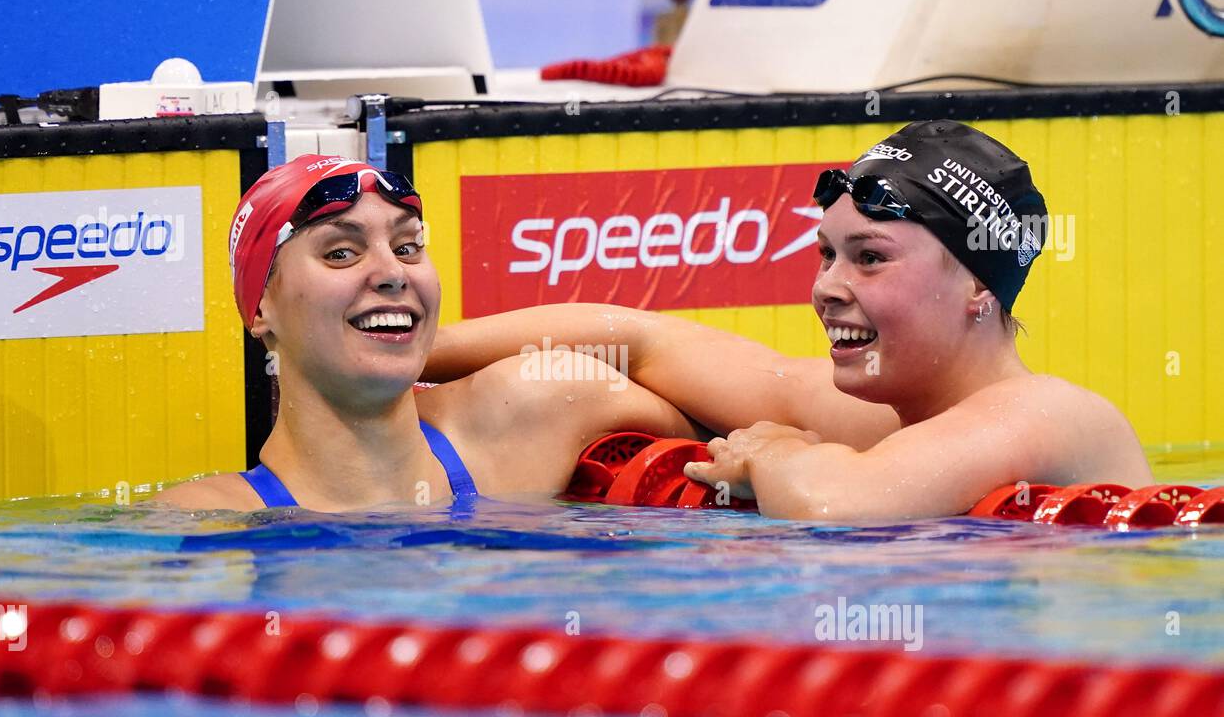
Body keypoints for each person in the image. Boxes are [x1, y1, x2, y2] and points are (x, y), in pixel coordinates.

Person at [425, 121, 1153, 520]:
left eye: (869, 258)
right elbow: (642, 339)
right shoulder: (880, 418)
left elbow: (833, 502)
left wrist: (769, 454)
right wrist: (419, 352)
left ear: (976, 286)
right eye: (826, 255)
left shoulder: (1045, 416)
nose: (827, 288)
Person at [149, 155, 706, 512]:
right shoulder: (205, 523)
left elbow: (734, 437)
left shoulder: (536, 413)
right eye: (340, 253)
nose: (392, 273)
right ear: (261, 308)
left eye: (408, 247)